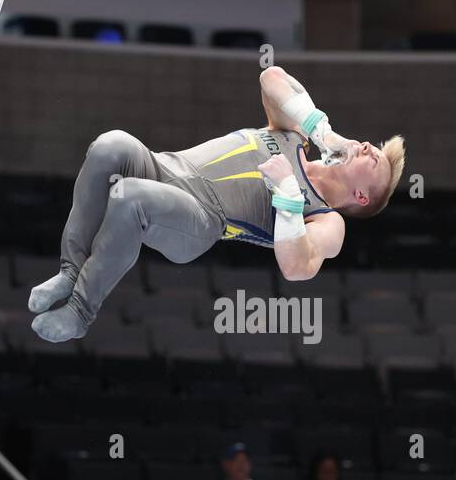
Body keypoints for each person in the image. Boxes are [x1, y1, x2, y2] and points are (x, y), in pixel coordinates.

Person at [27, 65, 406, 342]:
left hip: (201, 217)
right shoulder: (295, 135)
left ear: (361, 197)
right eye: (371, 146)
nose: (366, 147)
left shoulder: (327, 221)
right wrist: (321, 131)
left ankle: (80, 310)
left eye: (372, 161)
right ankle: (70, 271)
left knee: (130, 198)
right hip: (165, 165)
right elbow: (271, 77)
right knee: (111, 145)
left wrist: (289, 196)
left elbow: (296, 267)